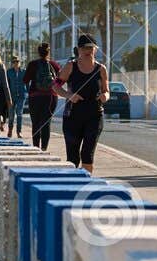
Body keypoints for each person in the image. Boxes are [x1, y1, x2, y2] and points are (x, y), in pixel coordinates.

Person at [57, 34, 108, 172]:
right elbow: (55, 85)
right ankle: (72, 187)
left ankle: (85, 187)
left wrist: (105, 96)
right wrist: (69, 95)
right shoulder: (70, 67)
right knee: (73, 157)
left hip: (94, 116)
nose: (88, 51)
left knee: (87, 154)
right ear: (78, 49)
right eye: (85, 48)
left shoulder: (101, 69)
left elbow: (106, 90)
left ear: (95, 50)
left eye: (91, 48)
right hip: (72, 116)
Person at [23, 41, 61, 151]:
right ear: (48, 53)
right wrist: (53, 87)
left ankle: (36, 148)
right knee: (46, 123)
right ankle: (44, 149)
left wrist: (29, 89)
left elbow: (25, 80)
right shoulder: (54, 65)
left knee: (35, 123)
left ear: (38, 52)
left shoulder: (32, 64)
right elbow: (61, 80)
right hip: (51, 97)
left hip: (35, 97)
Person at [9, 55, 28, 138]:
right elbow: (7, 84)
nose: (16, 63)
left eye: (17, 62)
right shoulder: (8, 72)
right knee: (11, 114)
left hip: (21, 95)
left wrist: (28, 93)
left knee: (19, 113)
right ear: (12, 63)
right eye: (14, 62)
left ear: (20, 63)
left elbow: (27, 83)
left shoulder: (24, 72)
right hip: (11, 95)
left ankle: (19, 131)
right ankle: (10, 129)